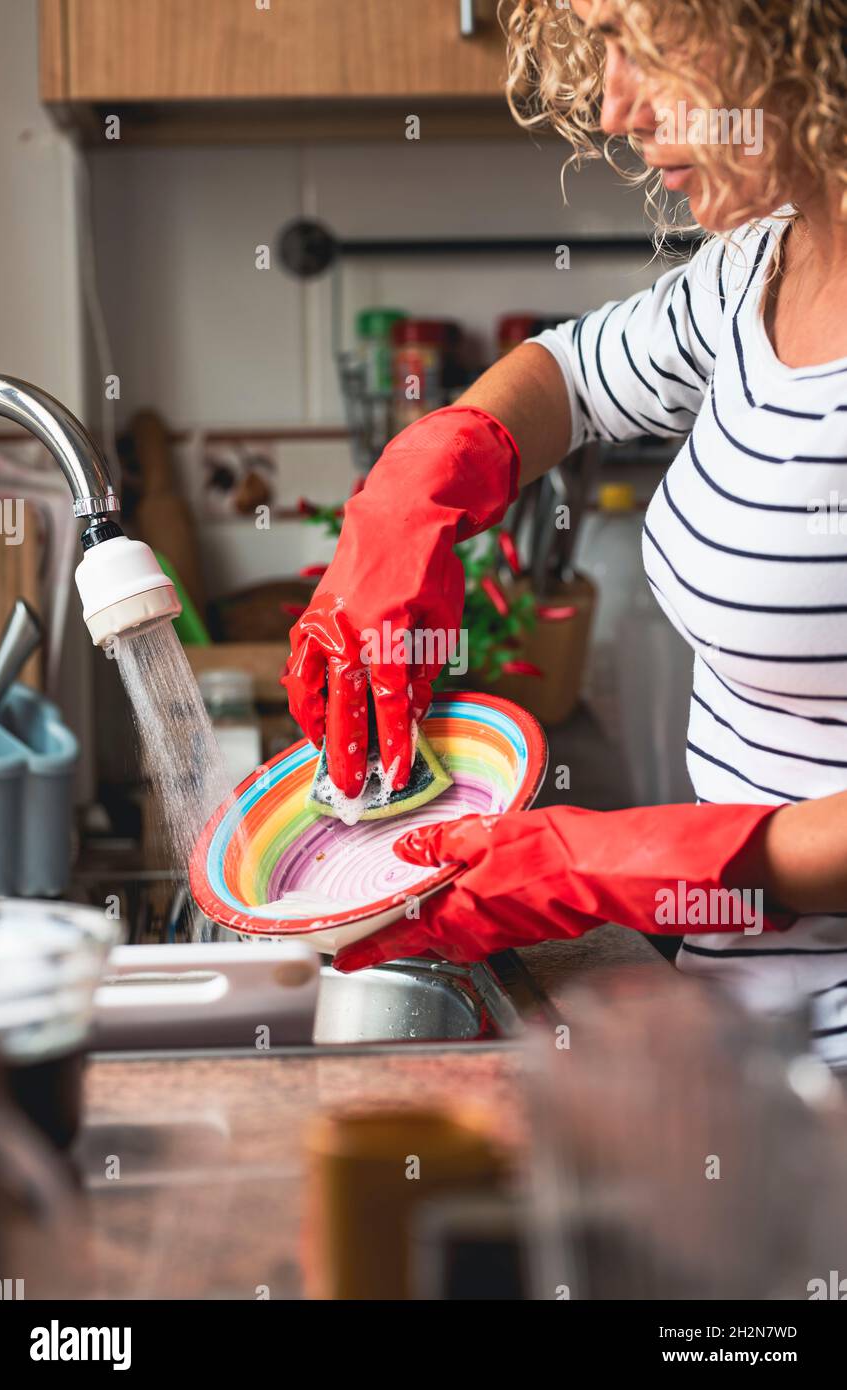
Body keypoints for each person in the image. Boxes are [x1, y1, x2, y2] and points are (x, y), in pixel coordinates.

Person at [283, 0, 847, 1066]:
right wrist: (416, 490)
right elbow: (571, 376)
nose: (616, 105)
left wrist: (621, 862)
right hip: (759, 1043)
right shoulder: (763, 266)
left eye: (646, 41)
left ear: (793, 26)